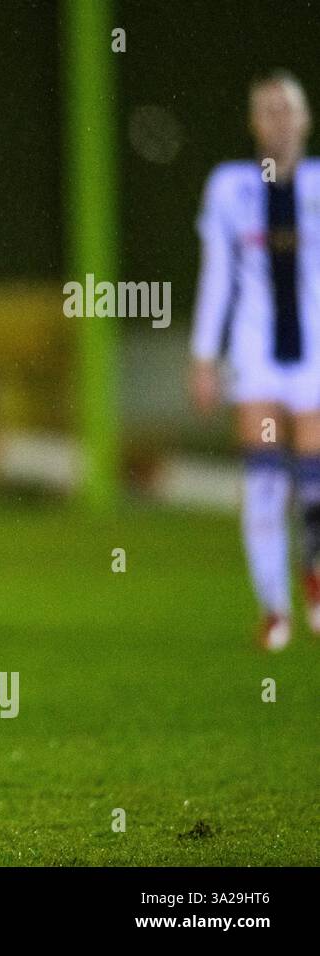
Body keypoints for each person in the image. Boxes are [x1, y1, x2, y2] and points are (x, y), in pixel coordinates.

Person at [191, 70, 319, 651]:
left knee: (315, 485)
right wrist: (203, 355)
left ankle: (314, 585)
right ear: (252, 123)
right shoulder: (230, 187)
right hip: (257, 356)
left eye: (286, 108)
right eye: (266, 110)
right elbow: (217, 274)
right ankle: (275, 611)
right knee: (265, 482)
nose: (277, 119)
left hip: (316, 353)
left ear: (306, 119)